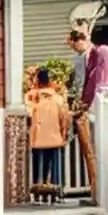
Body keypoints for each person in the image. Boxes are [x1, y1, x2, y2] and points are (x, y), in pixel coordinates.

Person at [25, 68, 71, 203]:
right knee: (54, 165)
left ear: (37, 80)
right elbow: (65, 118)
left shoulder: (31, 97)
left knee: (37, 166)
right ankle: (57, 193)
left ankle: (37, 193)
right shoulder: (58, 99)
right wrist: (64, 134)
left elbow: (27, 114)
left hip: (37, 139)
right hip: (55, 138)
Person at [66, 26, 97, 202]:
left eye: (71, 45)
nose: (72, 49)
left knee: (89, 151)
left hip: (84, 108)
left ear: (78, 41)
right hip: (92, 108)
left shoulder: (81, 58)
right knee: (92, 151)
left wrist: (77, 104)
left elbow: (79, 83)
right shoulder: (91, 55)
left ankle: (95, 193)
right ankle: (95, 191)